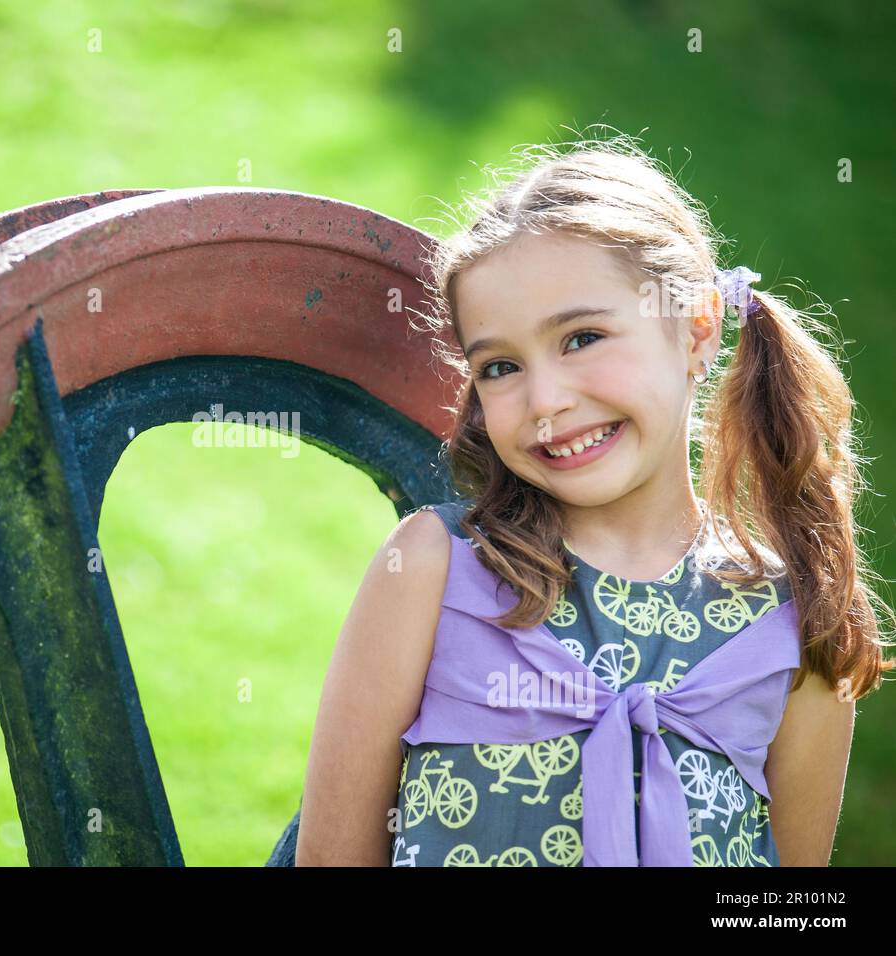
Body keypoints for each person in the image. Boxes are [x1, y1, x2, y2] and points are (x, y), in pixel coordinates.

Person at [294, 134, 894, 867]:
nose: (546, 400)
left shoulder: (791, 626)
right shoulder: (434, 570)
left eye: (582, 338)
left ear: (697, 330)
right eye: (502, 366)